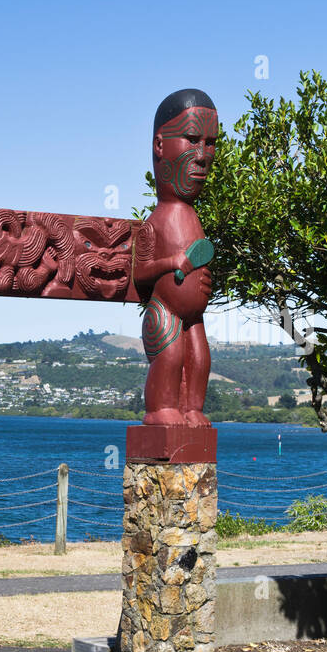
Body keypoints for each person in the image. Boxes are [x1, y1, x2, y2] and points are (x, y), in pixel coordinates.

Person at [133, 88, 218, 427]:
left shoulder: (192, 217)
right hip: (165, 311)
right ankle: (160, 409)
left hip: (194, 318)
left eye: (210, 143)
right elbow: (140, 272)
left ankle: (192, 409)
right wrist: (172, 264)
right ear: (159, 146)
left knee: (200, 360)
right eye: (192, 138)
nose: (203, 155)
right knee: (169, 357)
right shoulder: (156, 222)